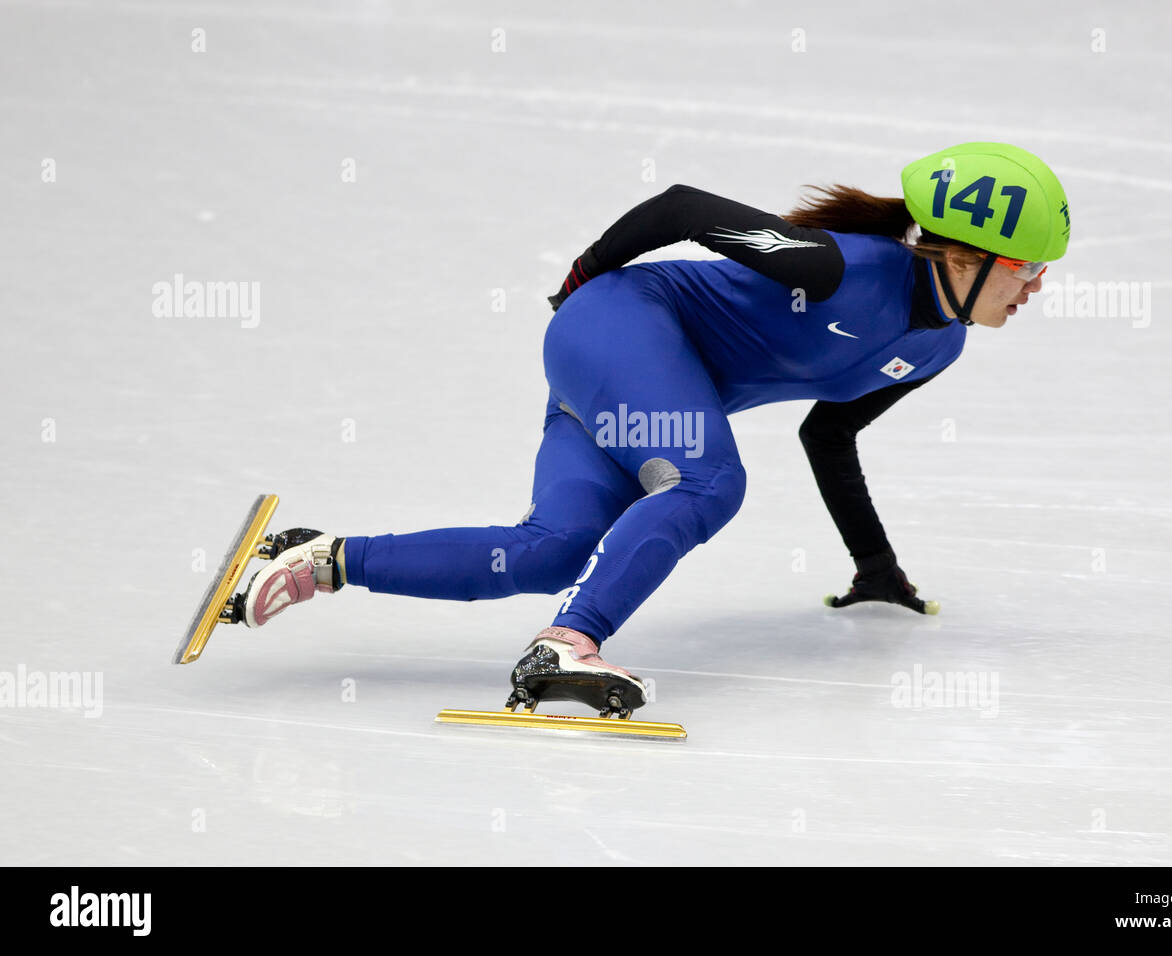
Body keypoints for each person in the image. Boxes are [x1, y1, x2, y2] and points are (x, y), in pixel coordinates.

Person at [236, 142, 1070, 715]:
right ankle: (566, 645)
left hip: (630, 392)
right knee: (710, 481)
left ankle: (318, 557)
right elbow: (683, 207)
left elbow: (829, 436)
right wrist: (581, 281)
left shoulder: (938, 348)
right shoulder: (835, 265)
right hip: (620, 326)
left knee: (550, 551)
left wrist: (875, 564)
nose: (1035, 289)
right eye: (1026, 269)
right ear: (961, 256)